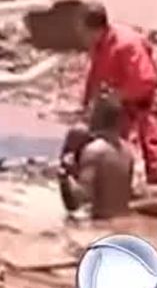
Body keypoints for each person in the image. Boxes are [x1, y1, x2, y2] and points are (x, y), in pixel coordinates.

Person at [78, 2, 157, 186]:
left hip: (144, 94)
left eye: (85, 31)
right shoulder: (100, 44)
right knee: (109, 136)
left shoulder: (126, 44)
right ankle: (115, 181)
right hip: (122, 93)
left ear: (96, 29)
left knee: (150, 136)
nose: (83, 36)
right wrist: (86, 103)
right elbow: (95, 73)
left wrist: (120, 96)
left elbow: (146, 80)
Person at [58, 92, 136, 220]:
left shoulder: (95, 151)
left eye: (91, 113)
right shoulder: (128, 152)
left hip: (99, 227)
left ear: (97, 117)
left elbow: (77, 201)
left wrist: (64, 177)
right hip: (122, 223)